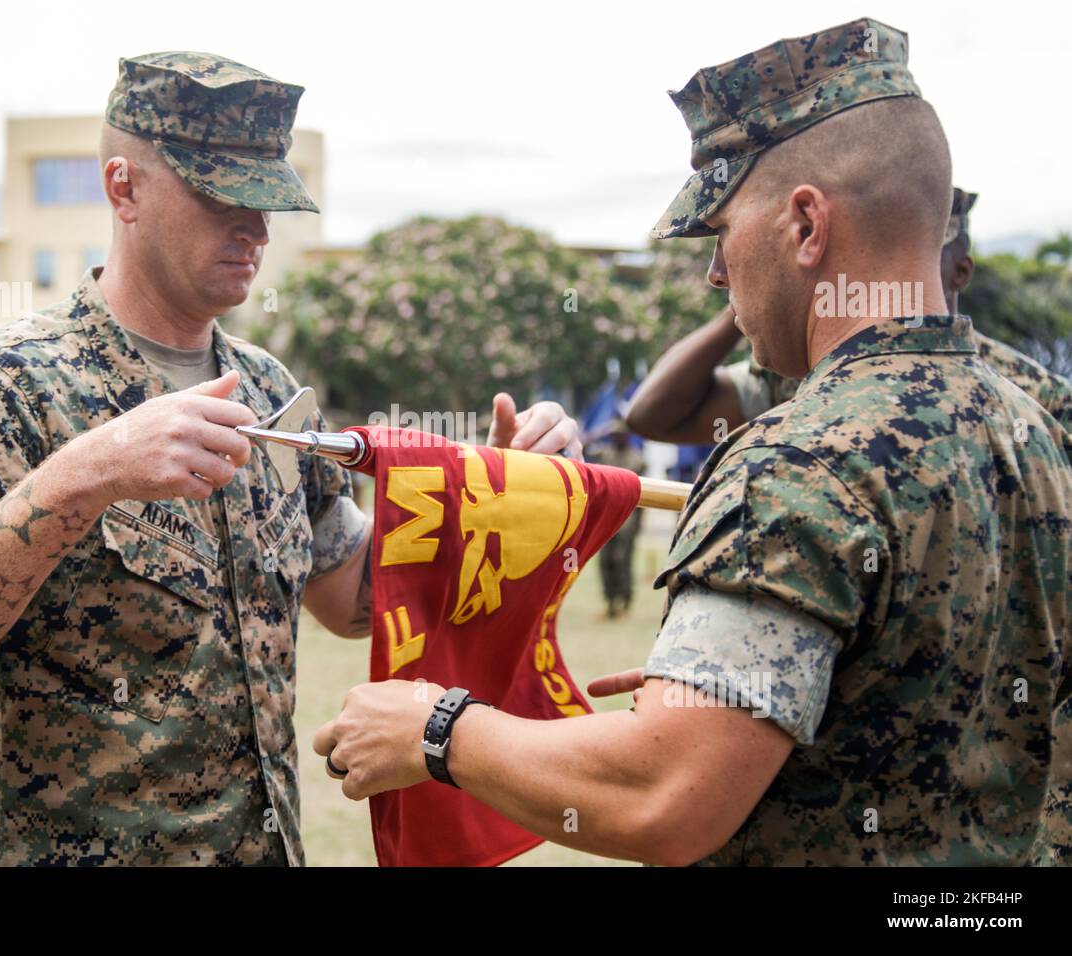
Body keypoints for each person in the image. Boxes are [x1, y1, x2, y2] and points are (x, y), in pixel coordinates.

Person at [313, 17, 1072, 866]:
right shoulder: (1036, 428)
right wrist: (764, 689)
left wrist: (434, 727)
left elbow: (662, 798)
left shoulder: (799, 462)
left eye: (719, 232)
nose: (716, 274)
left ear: (806, 226)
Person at [0, 51, 579, 866]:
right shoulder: (3, 388)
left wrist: (500, 507)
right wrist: (85, 474)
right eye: (221, 196)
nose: (257, 229)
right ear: (122, 188)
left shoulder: (269, 392)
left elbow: (351, 599)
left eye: (267, 201)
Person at [626, 189, 1072, 443]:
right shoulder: (810, 373)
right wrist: (752, 299)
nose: (901, 266)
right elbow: (653, 416)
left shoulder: (1040, 400)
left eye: (924, 250)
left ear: (960, 271)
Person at [588, 422, 644, 618]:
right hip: (605, 520)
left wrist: (637, 526)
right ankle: (610, 601)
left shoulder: (637, 460)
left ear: (627, 436)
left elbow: (642, 497)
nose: (615, 438)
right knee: (605, 562)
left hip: (627, 523)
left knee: (623, 561)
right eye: (613, 435)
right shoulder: (604, 456)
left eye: (619, 434)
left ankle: (625, 601)